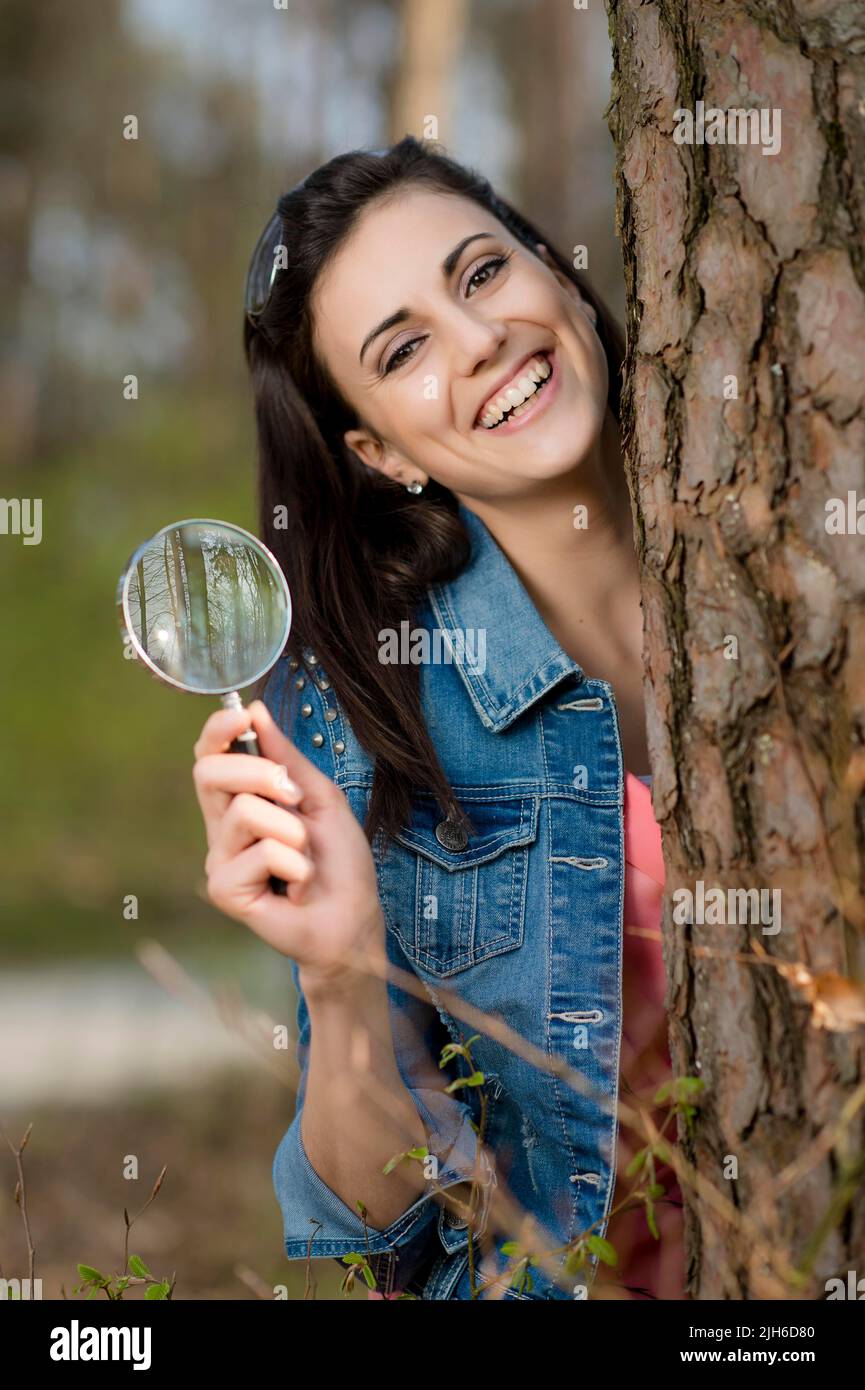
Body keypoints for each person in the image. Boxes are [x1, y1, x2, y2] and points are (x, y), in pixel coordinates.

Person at [192, 137, 685, 1300]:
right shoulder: (365, 720)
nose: (480, 342)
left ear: (557, 278)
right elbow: (383, 1238)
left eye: (481, 275)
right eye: (403, 349)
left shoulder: (801, 510)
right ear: (377, 451)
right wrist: (341, 979)